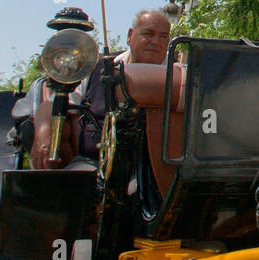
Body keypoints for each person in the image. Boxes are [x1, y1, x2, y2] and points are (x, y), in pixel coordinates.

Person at [30, 9, 175, 170]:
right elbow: (52, 104)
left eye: (163, 36)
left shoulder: (181, 76)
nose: (156, 41)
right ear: (130, 36)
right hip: (92, 165)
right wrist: (43, 135)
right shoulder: (97, 69)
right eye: (148, 34)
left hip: (159, 171)